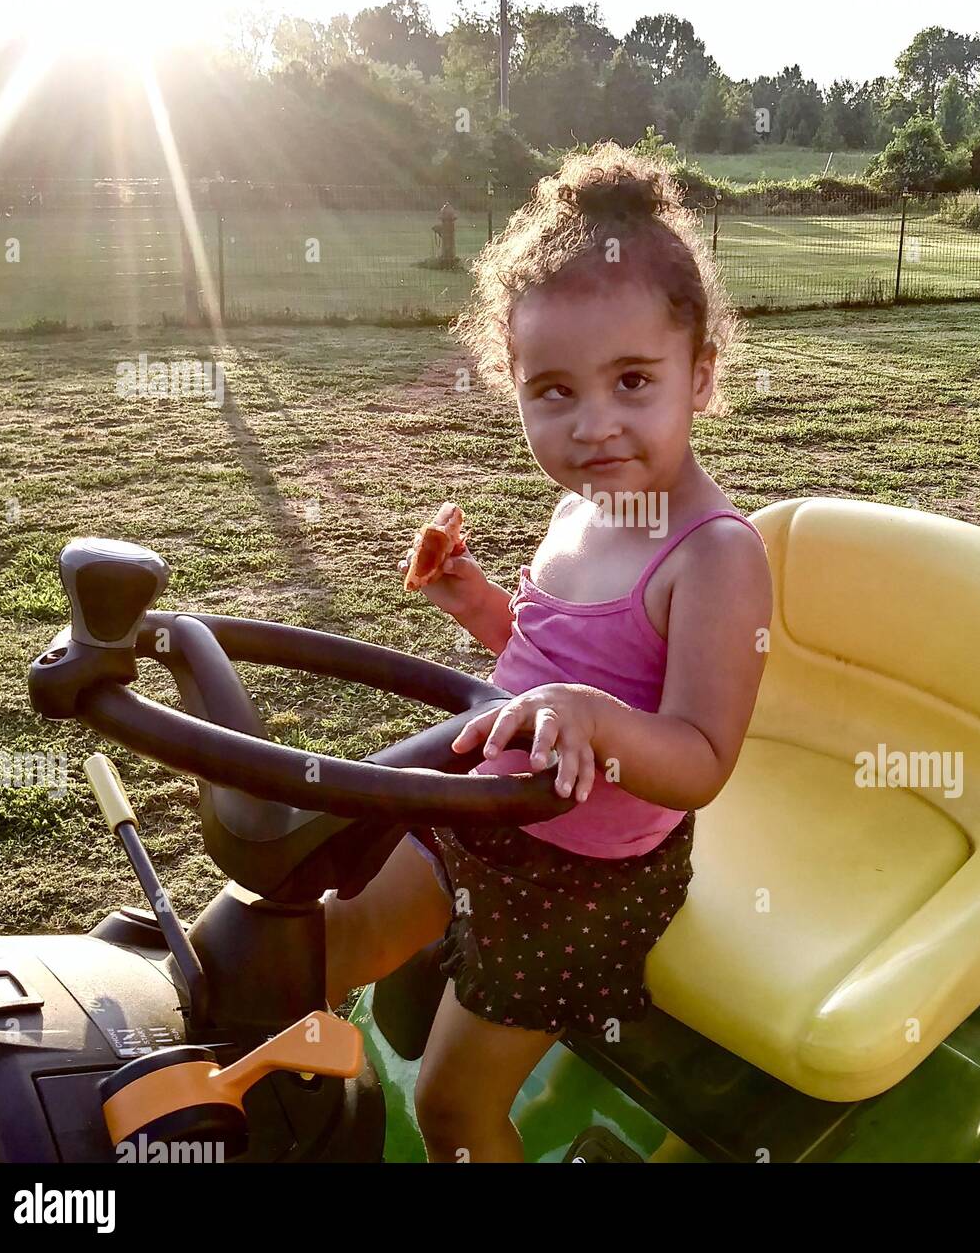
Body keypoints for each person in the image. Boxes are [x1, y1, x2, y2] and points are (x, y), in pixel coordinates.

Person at [323, 142, 773, 1162]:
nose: (593, 425)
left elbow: (702, 757)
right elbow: (541, 663)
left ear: (699, 377)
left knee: (450, 1110)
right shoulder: (578, 511)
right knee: (331, 939)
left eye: (631, 381)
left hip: (586, 880)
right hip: (481, 803)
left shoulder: (715, 557)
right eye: (554, 392)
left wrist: (594, 720)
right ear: (513, 384)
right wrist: (472, 597)